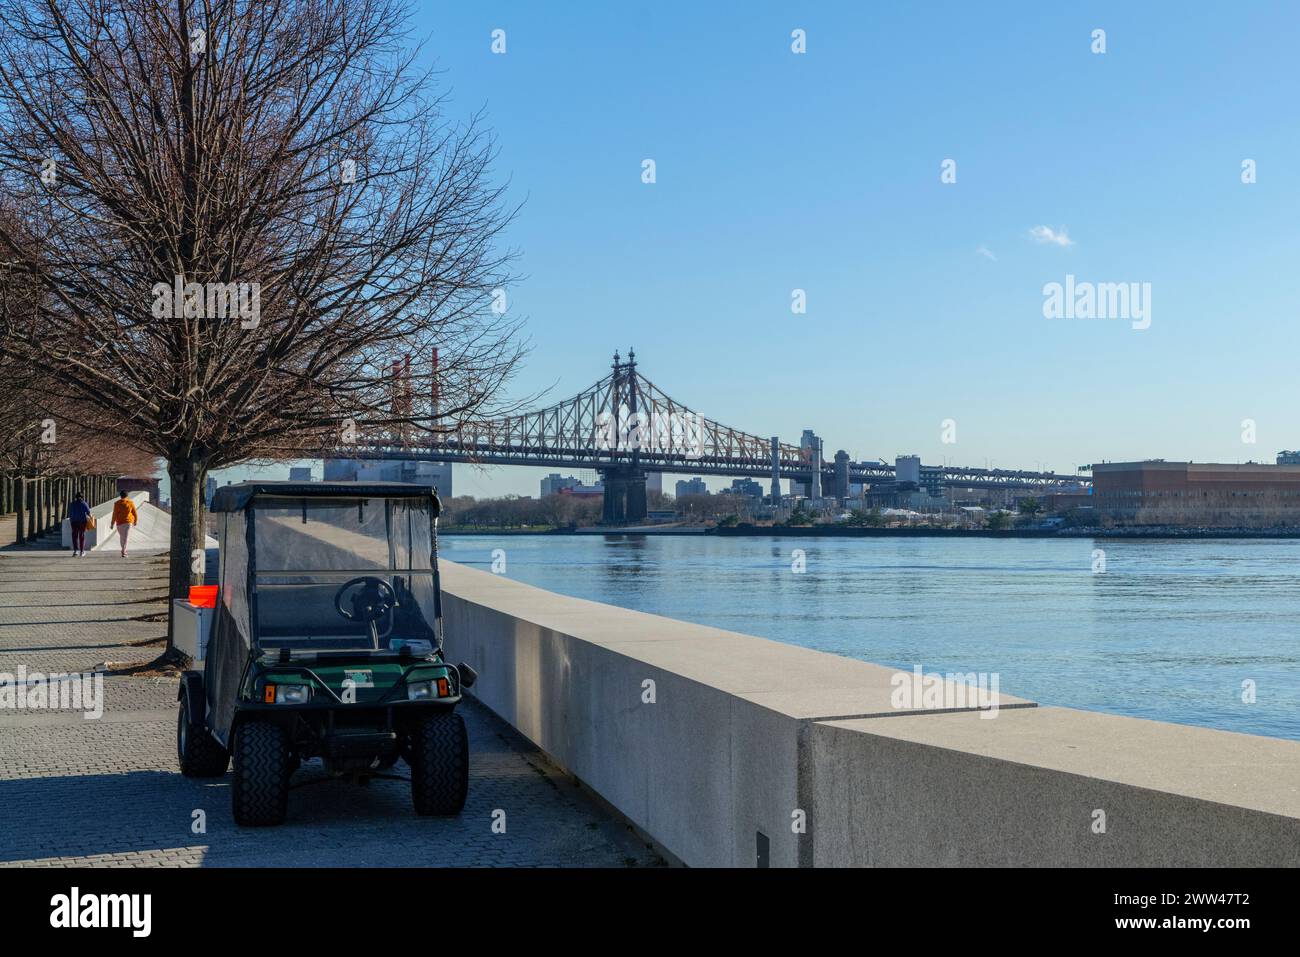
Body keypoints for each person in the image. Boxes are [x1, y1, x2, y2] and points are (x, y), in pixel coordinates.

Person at [110, 491, 138, 558]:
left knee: (122, 537)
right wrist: (135, 521)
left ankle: (123, 551)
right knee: (125, 537)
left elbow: (114, 514)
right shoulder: (130, 503)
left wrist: (112, 523)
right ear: (127, 496)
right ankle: (123, 551)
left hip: (119, 523)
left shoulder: (116, 503)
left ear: (120, 495)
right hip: (127, 522)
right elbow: (135, 513)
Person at [68, 492, 92, 557]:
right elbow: (88, 512)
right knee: (81, 536)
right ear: (82, 497)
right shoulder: (84, 504)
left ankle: (75, 551)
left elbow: (70, 513)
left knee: (74, 536)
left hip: (74, 522)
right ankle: (81, 551)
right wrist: (91, 518)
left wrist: (71, 521)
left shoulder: (72, 504)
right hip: (82, 522)